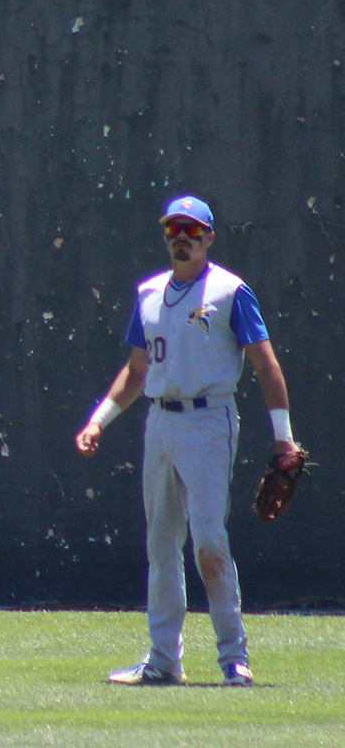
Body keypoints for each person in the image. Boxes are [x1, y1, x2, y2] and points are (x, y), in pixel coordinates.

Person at [76, 195, 302, 687]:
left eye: (192, 230)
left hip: (208, 420)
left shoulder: (229, 290)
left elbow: (266, 365)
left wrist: (284, 439)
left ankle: (234, 659)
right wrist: (99, 421)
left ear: (209, 238)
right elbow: (137, 370)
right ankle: (163, 660)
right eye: (174, 229)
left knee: (208, 541)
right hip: (160, 420)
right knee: (161, 544)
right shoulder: (149, 293)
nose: (182, 238)